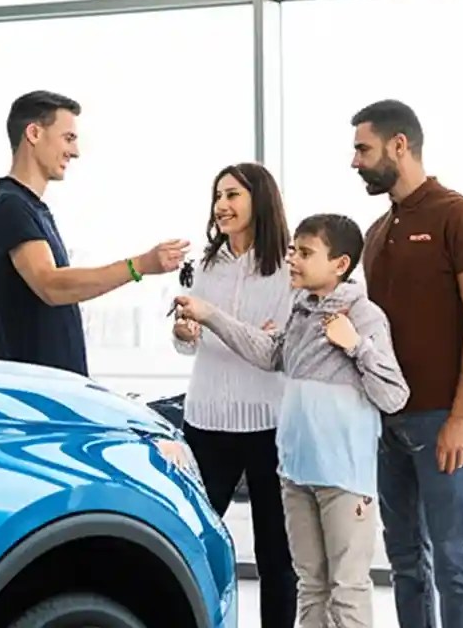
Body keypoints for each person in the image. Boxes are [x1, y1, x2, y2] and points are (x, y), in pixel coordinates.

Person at [174, 213, 410, 628]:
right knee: (310, 584)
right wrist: (209, 315)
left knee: (348, 588)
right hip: (297, 473)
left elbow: (394, 395)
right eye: (292, 251)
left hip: (344, 479)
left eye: (305, 253)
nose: (293, 261)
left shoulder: (364, 315)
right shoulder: (300, 310)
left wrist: (356, 346)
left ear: (340, 264)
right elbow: (269, 353)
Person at [350, 99, 463, 628]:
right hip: (387, 420)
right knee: (406, 562)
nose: (355, 162)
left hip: (442, 418)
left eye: (362, 149)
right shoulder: (376, 231)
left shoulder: (458, 215)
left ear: (399, 145)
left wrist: (462, 416)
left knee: (454, 559)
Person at [0, 90, 188, 376]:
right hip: (41, 397)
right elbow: (51, 285)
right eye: (68, 138)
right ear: (34, 133)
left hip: (55, 391)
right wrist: (140, 265)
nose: (75, 152)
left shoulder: (30, 208)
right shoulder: (11, 207)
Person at [171, 162, 297, 628]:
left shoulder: (289, 266)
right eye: (218, 196)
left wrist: (216, 320)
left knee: (276, 557)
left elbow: (274, 350)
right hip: (205, 420)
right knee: (194, 541)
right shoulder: (206, 264)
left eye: (233, 196)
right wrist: (187, 330)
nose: (222, 206)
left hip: (270, 424)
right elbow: (192, 344)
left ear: (259, 200)